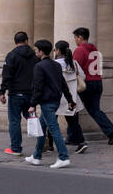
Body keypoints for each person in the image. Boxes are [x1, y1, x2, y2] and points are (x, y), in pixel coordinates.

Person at [25, 40, 77, 168]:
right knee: (42, 128)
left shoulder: (39, 66)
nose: (35, 52)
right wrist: (70, 100)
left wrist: (32, 104)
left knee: (54, 130)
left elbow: (38, 87)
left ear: (42, 52)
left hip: (47, 102)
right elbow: (63, 84)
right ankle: (36, 156)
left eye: (36, 50)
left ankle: (63, 157)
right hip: (55, 101)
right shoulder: (56, 65)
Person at [72, 27, 113, 145]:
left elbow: (75, 68)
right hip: (98, 82)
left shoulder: (79, 50)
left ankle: (73, 136)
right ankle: (111, 131)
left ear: (80, 37)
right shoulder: (95, 50)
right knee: (95, 110)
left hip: (85, 83)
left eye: (75, 38)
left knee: (73, 109)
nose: (75, 40)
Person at [0, 32, 36, 156]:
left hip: (15, 93)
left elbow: (7, 75)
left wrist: (2, 91)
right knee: (32, 119)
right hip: (30, 93)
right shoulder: (34, 56)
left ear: (15, 42)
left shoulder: (11, 55)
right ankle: (43, 143)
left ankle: (16, 148)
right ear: (26, 40)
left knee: (14, 121)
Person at [54, 39, 89, 154]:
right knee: (73, 123)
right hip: (71, 98)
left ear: (58, 50)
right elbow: (82, 76)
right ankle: (81, 142)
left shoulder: (55, 64)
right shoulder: (74, 63)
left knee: (50, 121)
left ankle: (48, 145)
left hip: (57, 97)